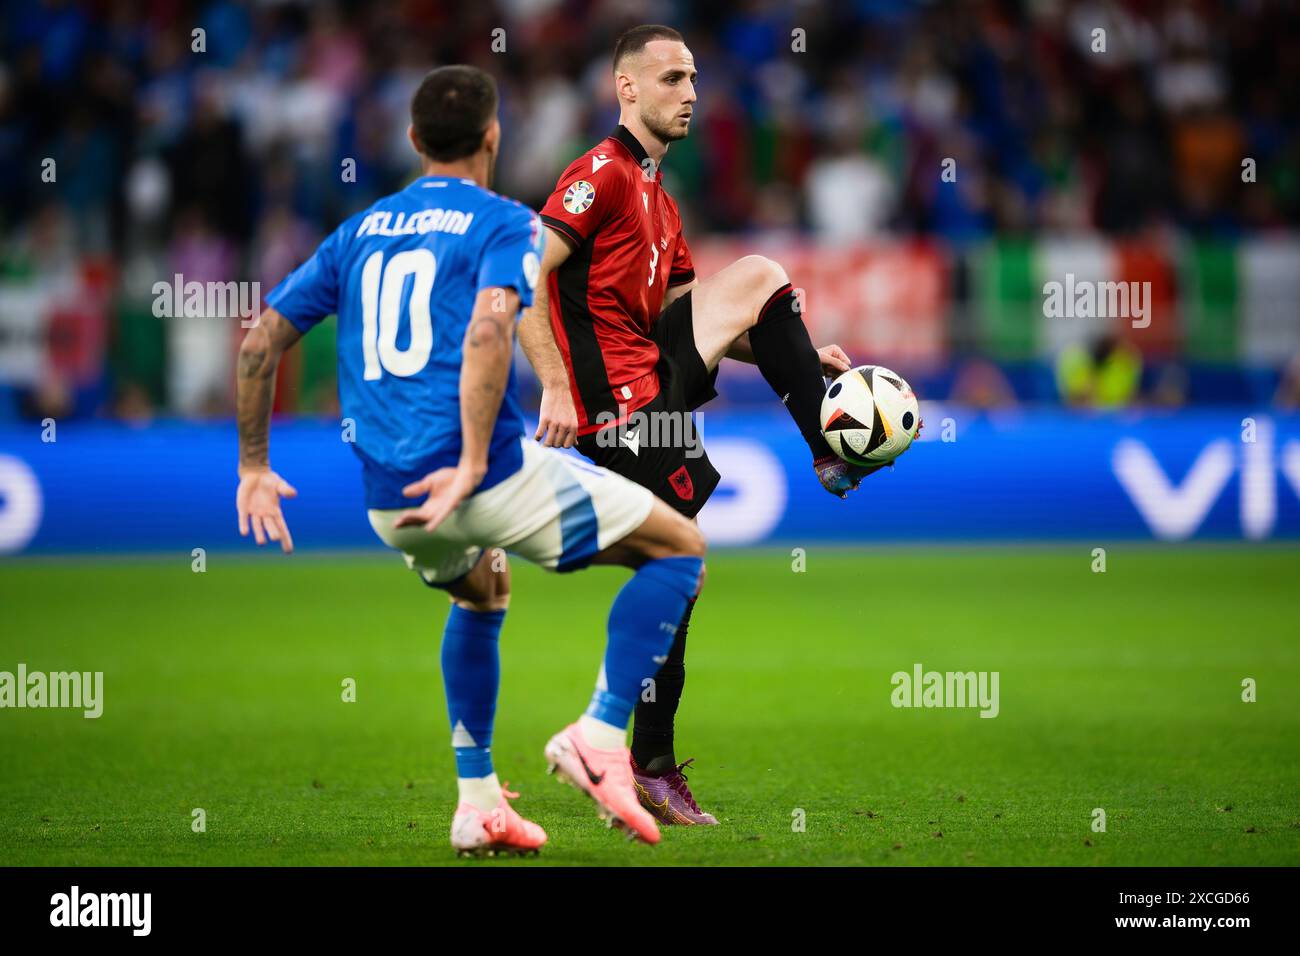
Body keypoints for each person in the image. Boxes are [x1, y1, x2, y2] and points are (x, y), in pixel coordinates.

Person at [234, 65, 705, 853]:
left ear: (414, 141)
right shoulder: (502, 222)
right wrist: (474, 461)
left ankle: (478, 802)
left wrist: (253, 466)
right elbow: (491, 332)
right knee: (678, 550)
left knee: (481, 592)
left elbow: (259, 341)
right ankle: (598, 736)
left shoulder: (358, 231)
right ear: (493, 136)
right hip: (475, 476)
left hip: (392, 504)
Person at [518, 24, 876, 826]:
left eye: (693, 79)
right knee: (762, 273)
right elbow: (522, 273)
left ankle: (634, 759)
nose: (689, 93)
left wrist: (798, 355)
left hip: (658, 397)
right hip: (616, 411)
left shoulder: (659, 201)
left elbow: (699, 319)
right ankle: (829, 448)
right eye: (672, 78)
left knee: (680, 572)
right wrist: (553, 387)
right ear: (628, 89)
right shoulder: (599, 176)